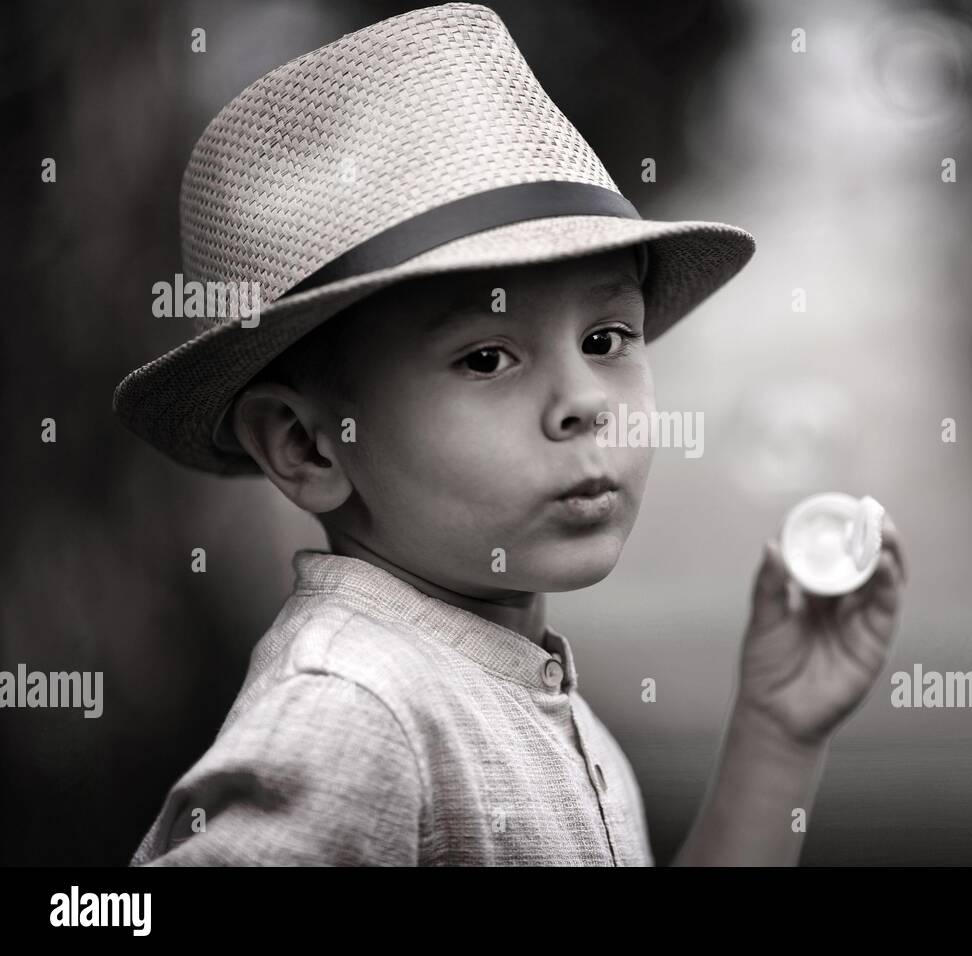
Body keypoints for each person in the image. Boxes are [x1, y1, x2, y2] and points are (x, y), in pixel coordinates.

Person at [115, 3, 906, 866]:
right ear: (308, 446)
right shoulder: (354, 709)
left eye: (606, 340)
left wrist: (775, 732)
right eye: (488, 357)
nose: (581, 401)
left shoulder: (516, 687)